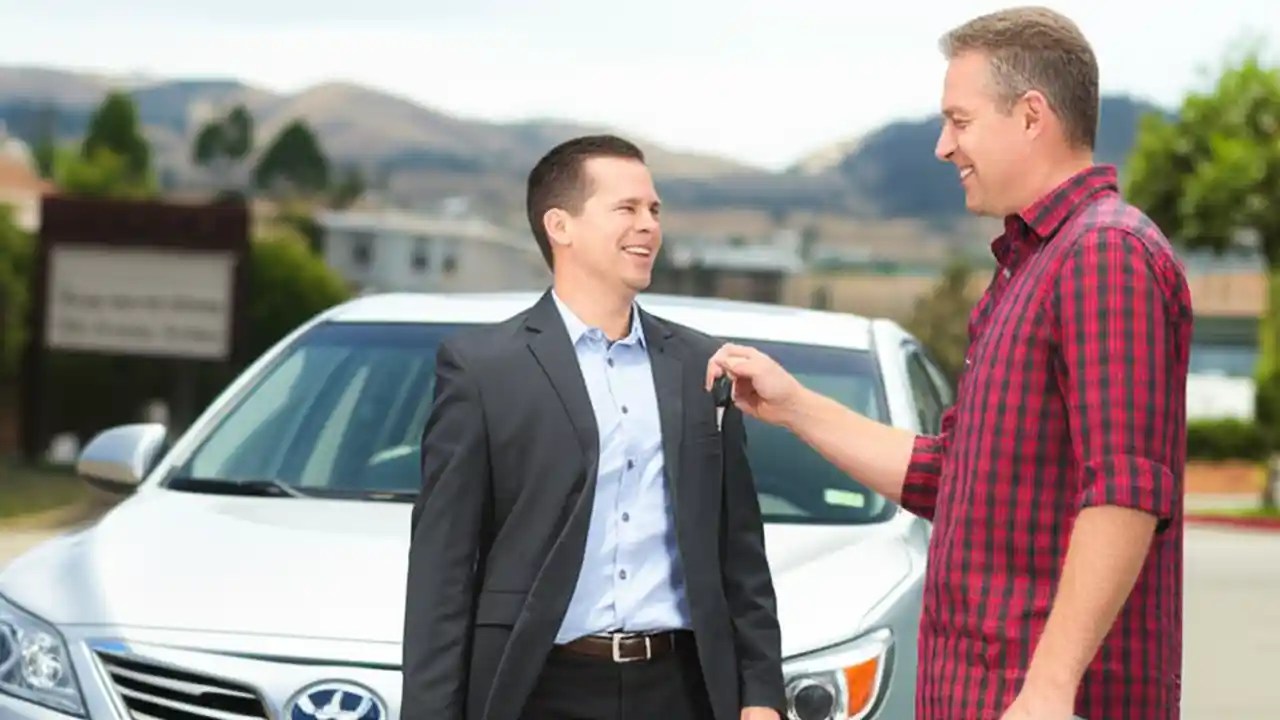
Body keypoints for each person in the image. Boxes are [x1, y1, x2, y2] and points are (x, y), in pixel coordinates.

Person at [706, 7, 1190, 720]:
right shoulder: (1030, 268)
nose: (942, 146)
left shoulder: (1103, 253)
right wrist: (793, 407)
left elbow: (1124, 491)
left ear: (1031, 116)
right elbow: (949, 476)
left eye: (960, 121)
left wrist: (1049, 688)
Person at [402, 134, 785, 720]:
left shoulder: (702, 366)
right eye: (626, 208)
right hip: (539, 689)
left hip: (682, 690)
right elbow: (442, 570)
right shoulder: (482, 370)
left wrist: (761, 695)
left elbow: (740, 550)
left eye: (654, 209)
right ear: (560, 226)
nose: (648, 225)